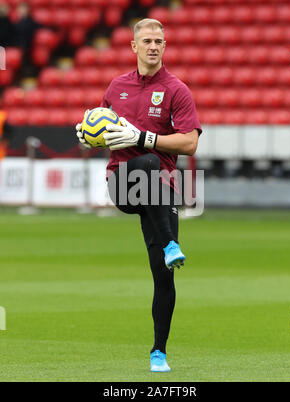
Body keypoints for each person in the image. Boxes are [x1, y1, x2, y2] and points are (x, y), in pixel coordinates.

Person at [76, 18, 202, 372]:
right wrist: (86, 136)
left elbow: (190, 142)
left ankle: (158, 351)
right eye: (146, 40)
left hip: (160, 191)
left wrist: (143, 136)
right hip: (123, 184)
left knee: (164, 277)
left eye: (159, 41)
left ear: (165, 46)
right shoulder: (117, 87)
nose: (153, 46)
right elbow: (100, 128)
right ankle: (170, 245)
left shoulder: (177, 89)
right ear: (133, 46)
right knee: (147, 162)